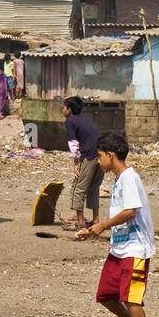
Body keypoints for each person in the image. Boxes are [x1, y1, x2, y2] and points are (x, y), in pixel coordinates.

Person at [77, 132, 159, 317]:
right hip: (120, 248)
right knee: (105, 294)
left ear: (111, 155)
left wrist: (103, 226)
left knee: (131, 297)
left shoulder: (129, 177)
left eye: (100, 156)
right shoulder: (118, 180)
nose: (98, 160)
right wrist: (96, 229)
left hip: (136, 248)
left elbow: (131, 211)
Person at [62, 95, 104, 232]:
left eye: (64, 107)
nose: (63, 110)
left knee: (78, 187)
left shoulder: (70, 121)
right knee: (93, 188)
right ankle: (96, 220)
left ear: (69, 109)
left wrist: (75, 164)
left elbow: (73, 144)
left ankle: (80, 222)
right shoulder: (86, 120)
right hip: (101, 156)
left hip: (89, 156)